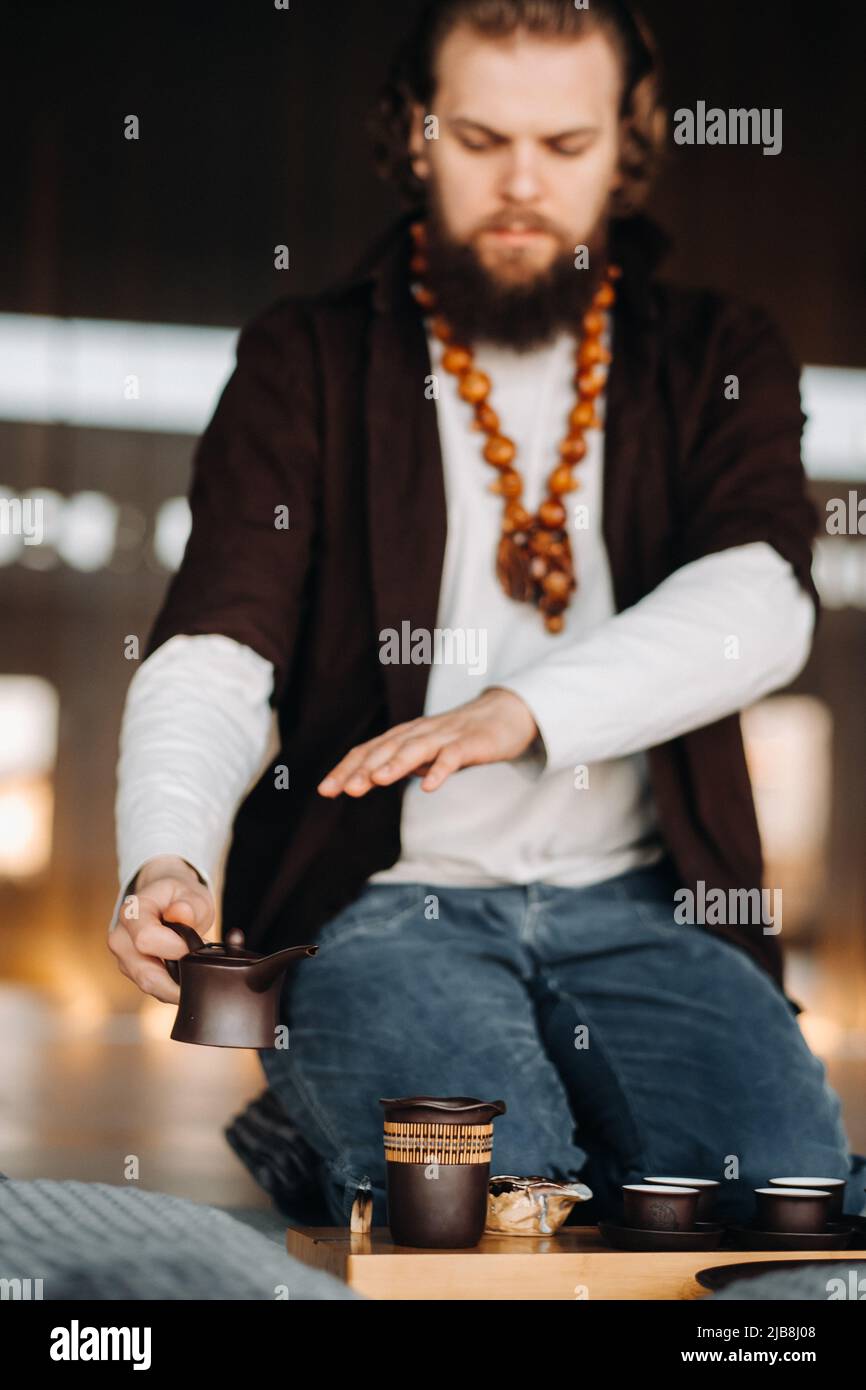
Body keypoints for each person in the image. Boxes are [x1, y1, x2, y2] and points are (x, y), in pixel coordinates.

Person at [108, 0, 865, 1228]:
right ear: (414, 137)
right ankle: (350, 1097)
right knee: (502, 1206)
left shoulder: (717, 348)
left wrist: (521, 710)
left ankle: (320, 1128)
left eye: (563, 147)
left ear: (628, 143)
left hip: (639, 901)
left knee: (782, 1199)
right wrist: (166, 852)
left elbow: (761, 602)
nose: (520, 184)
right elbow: (217, 637)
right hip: (381, 901)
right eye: (477, 138)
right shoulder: (305, 357)